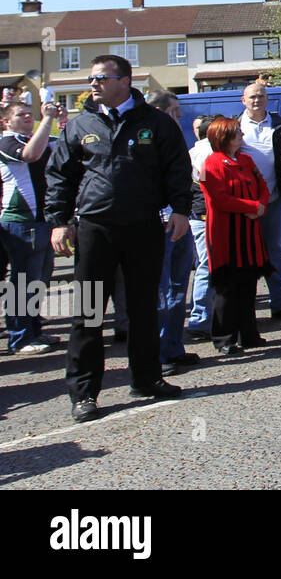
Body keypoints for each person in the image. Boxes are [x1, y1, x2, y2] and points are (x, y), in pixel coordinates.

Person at [46, 55, 191, 423]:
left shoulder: (154, 123)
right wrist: (60, 221)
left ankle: (146, 378)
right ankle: (84, 394)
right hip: (95, 228)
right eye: (91, 78)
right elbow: (59, 175)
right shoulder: (80, 125)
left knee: (144, 307)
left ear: (124, 81)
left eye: (100, 78)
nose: (92, 84)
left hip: (144, 226)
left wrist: (180, 210)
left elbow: (177, 167)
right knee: (89, 312)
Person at [199, 116, 271, 354]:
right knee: (227, 289)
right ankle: (224, 338)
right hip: (226, 234)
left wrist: (260, 205)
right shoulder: (211, 163)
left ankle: (249, 334)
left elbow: (263, 186)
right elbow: (219, 199)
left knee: (248, 286)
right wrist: (251, 208)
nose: (241, 135)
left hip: (249, 234)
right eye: (237, 132)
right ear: (224, 137)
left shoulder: (246, 159)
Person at [146, 91, 201, 377]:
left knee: (179, 288)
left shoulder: (174, 139)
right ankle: (155, 355)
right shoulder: (146, 140)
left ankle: (173, 347)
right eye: (174, 110)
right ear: (158, 110)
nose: (180, 116)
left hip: (181, 221)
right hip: (158, 225)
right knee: (161, 291)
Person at [0, 98, 60, 353]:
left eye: (29, 114)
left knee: (37, 280)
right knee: (22, 281)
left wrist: (59, 122)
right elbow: (30, 155)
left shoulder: (35, 138)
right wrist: (47, 120)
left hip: (40, 220)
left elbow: (64, 147)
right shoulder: (7, 141)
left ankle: (33, 330)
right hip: (19, 221)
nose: (27, 117)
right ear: (6, 121)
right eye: (20, 115)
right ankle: (20, 337)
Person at [238, 82, 281, 322]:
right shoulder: (234, 125)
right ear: (243, 100)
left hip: (274, 198)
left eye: (261, 96)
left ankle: (280, 304)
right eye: (252, 97)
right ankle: (245, 309)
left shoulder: (280, 125)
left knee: (275, 252)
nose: (257, 100)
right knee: (245, 256)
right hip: (244, 204)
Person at [185, 116, 216, 340]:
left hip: (206, 214)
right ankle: (200, 319)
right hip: (204, 216)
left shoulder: (204, 150)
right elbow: (210, 186)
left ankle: (207, 315)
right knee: (207, 265)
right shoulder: (205, 153)